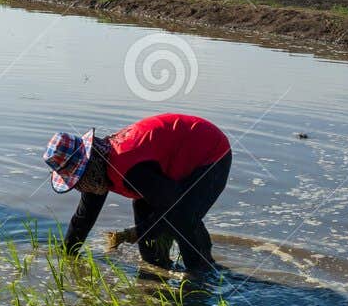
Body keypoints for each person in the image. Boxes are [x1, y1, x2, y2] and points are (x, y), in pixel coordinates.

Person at [42, 112, 231, 274]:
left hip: (209, 154)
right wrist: (67, 255)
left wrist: (133, 233)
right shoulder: (96, 172)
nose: (78, 187)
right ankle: (159, 270)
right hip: (165, 164)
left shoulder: (129, 169)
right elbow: (84, 216)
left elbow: (175, 205)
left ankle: (203, 275)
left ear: (89, 165)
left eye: (78, 181)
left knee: (182, 221)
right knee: (147, 230)